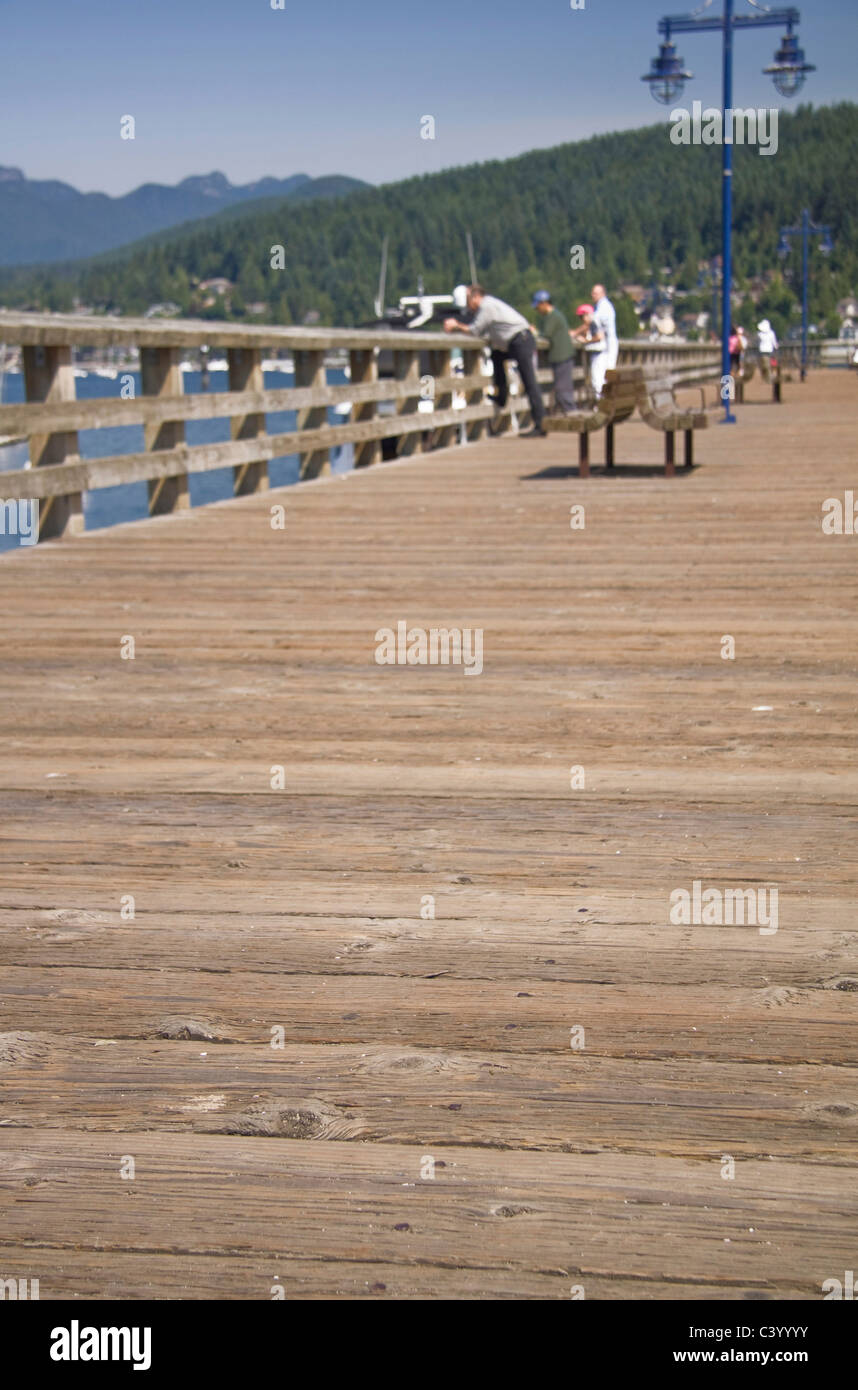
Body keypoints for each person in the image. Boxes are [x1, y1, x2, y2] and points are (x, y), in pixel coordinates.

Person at [443, 285, 546, 436]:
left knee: (530, 383)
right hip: (516, 342)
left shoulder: (487, 306)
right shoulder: (490, 304)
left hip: (520, 341)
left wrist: (456, 325)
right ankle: (502, 396)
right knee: (496, 356)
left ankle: (540, 425)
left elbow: (475, 330)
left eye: (467, 303)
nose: (469, 308)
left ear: (474, 297)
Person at [531, 290, 576, 415]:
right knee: (563, 388)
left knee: (563, 389)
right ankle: (570, 413)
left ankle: (572, 414)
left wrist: (534, 332)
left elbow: (546, 334)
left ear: (544, 303)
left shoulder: (553, 316)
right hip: (562, 356)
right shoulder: (555, 315)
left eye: (538, 306)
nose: (537, 310)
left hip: (562, 356)